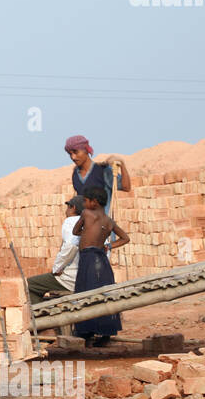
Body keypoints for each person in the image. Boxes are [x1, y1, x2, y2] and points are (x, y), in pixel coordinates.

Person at [71, 185, 129, 346]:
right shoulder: (109, 221)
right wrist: (109, 245)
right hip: (101, 259)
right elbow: (125, 238)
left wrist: (85, 232)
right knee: (104, 295)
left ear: (94, 202)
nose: (84, 203)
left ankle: (86, 333)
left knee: (85, 293)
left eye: (86, 200)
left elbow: (75, 231)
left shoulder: (86, 213)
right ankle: (105, 335)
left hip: (88, 259)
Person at [27, 196, 84, 304]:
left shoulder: (71, 221)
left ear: (73, 208)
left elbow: (71, 246)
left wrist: (57, 269)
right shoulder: (95, 223)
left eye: (68, 208)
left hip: (70, 278)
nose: (66, 211)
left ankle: (38, 316)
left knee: (29, 285)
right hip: (88, 276)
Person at [64, 135, 131, 210]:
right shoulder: (75, 174)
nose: (73, 157)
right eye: (70, 154)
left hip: (103, 220)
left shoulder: (103, 170)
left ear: (86, 150)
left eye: (76, 152)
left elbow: (126, 187)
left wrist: (122, 165)